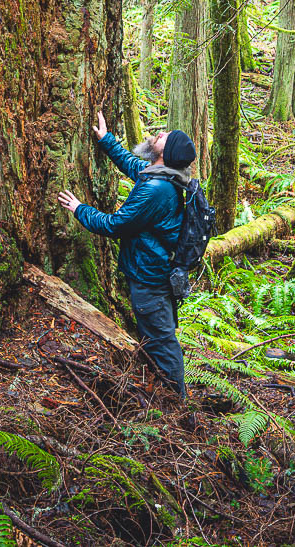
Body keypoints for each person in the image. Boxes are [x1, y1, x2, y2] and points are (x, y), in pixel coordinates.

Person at [57, 111, 193, 398]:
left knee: (161, 340)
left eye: (166, 138)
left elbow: (115, 225)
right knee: (157, 337)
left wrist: (79, 209)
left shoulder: (157, 190)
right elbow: (133, 165)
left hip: (150, 279)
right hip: (152, 272)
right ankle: (164, 393)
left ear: (166, 154)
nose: (161, 134)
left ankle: (176, 402)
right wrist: (107, 140)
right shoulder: (160, 175)